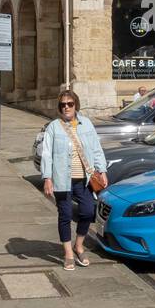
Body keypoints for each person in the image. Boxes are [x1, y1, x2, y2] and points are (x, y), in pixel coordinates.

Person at [40, 90, 108, 271]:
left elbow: (96, 148)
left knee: (87, 212)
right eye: (63, 105)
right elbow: (47, 153)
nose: (66, 107)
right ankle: (68, 253)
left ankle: (79, 245)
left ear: (76, 105)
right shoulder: (54, 126)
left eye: (70, 104)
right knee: (66, 215)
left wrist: (102, 170)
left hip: (84, 179)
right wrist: (47, 177)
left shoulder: (87, 124)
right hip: (62, 179)